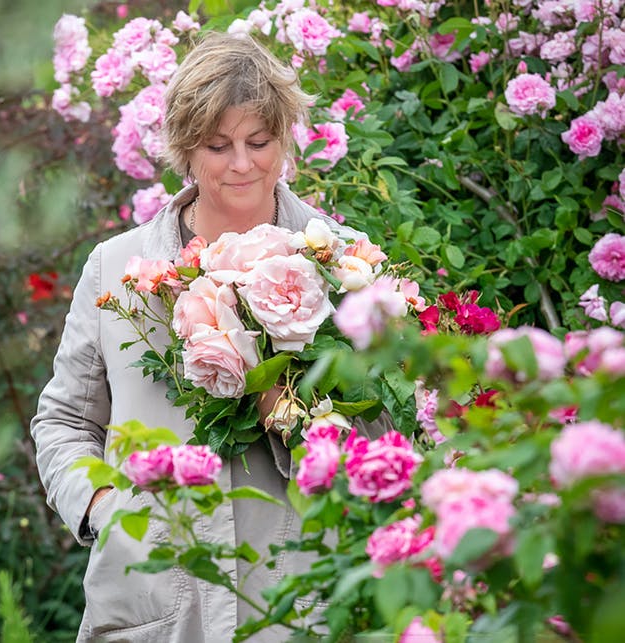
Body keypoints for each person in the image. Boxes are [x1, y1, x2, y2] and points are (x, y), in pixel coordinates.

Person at [31, 31, 389, 642]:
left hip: (301, 594)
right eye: (219, 145)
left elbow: (388, 434)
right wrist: (103, 510)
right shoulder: (119, 269)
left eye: (260, 141)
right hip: (157, 598)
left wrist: (294, 414)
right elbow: (64, 419)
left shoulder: (345, 265)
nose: (243, 163)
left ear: (285, 139)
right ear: (184, 148)